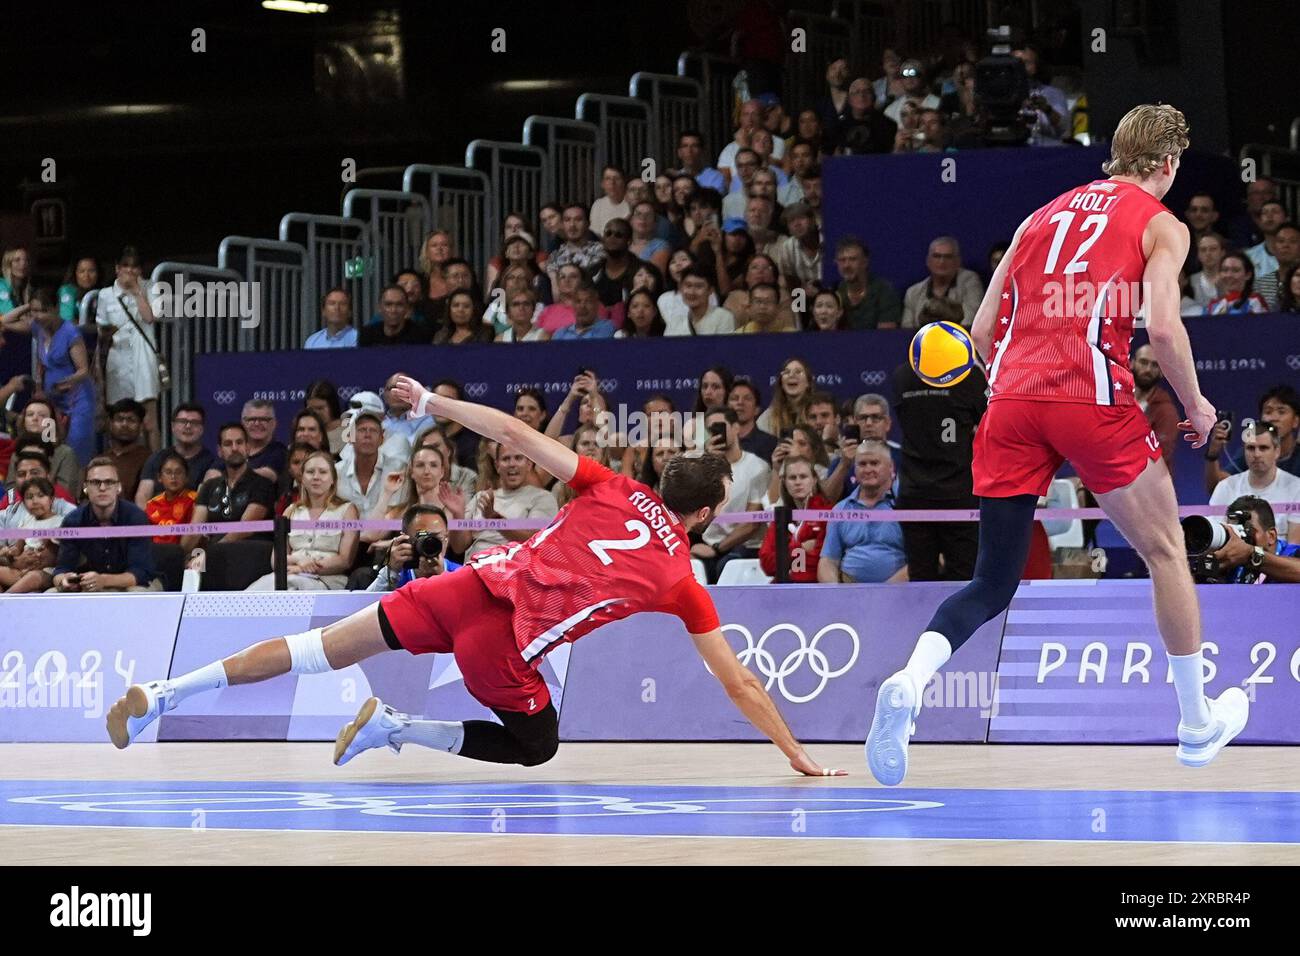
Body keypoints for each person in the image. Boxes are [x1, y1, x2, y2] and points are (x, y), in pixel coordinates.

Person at [107, 374, 844, 778]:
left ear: (661, 481)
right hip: (502, 641)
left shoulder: (613, 485)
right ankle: (397, 728)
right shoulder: (681, 576)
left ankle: (161, 697)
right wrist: (795, 752)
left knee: (314, 650)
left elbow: (516, 435)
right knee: (538, 744)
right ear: (711, 509)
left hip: (461, 587)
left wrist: (431, 405)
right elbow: (738, 681)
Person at [866, 104, 1248, 788]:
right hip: (1090, 396)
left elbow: (981, 330)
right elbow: (1163, 329)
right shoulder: (1162, 224)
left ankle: (909, 680)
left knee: (992, 580)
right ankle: (1195, 723)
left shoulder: (1040, 215)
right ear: (1167, 165)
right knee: (1165, 551)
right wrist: (1196, 406)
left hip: (1012, 401)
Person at [246, 451, 359, 591]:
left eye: (323, 472)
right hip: (289, 574)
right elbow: (276, 559)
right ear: (303, 479)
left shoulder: (347, 510)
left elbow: (344, 560)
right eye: (310, 472)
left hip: (325, 580)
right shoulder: (291, 510)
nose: (316, 477)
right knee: (254, 592)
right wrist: (298, 561)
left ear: (333, 480)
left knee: (291, 589)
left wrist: (303, 569)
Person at [51, 458, 161, 593]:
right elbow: (62, 569)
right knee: (52, 593)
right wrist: (64, 580)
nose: (102, 488)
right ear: (86, 487)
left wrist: (104, 580)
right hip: (88, 585)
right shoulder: (73, 521)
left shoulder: (136, 517)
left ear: (118, 487)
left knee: (137, 593)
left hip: (130, 583)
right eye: (95, 482)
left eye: (109, 482)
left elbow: (141, 573)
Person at [31, 287, 96, 466]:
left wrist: (65, 383)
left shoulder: (70, 332)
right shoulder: (38, 328)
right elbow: (6, 320)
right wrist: (39, 388)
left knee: (76, 451)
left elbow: (83, 370)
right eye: (33, 310)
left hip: (78, 400)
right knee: (48, 445)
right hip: (52, 400)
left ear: (55, 309)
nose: (37, 316)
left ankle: (76, 492)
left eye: (42, 311)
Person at [366, 504, 462, 592]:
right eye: (422, 538)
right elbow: (364, 605)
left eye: (435, 538)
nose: (429, 544)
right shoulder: (396, 574)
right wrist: (391, 571)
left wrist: (442, 580)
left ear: (447, 539)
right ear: (405, 539)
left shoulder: (460, 574)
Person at [1210, 496, 1300, 584]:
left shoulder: (1293, 553)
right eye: (1235, 531)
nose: (1239, 539)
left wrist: (1251, 555)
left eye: (1247, 530)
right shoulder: (1232, 560)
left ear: (1271, 536)